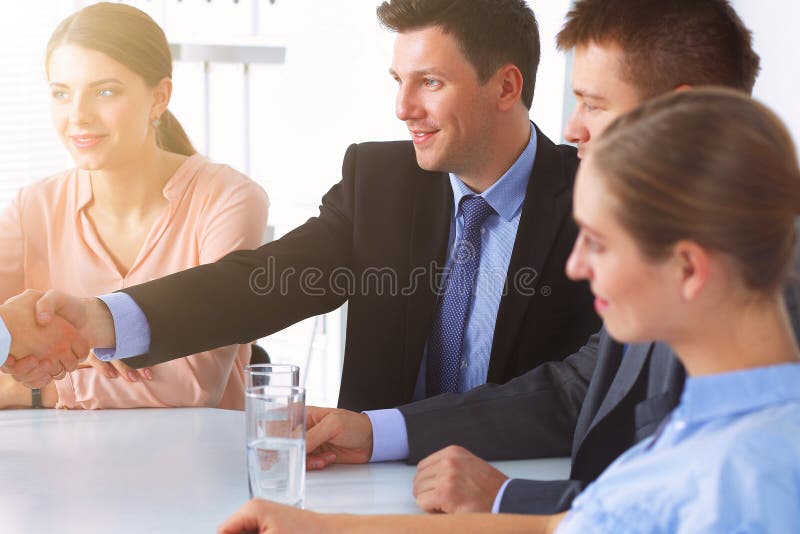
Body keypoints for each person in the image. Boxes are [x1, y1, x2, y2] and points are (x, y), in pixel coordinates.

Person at [220, 87, 800, 533]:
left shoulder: (740, 480)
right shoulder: (705, 424)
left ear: (689, 269)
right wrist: (324, 526)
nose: (574, 266)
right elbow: (570, 524)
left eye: (597, 242)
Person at [2, 0, 601, 410]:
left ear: (506, 86)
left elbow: (584, 390)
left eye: (430, 83)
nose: (402, 107)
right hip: (373, 492)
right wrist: (99, 318)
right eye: (398, 81)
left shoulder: (599, 200)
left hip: (522, 490)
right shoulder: (380, 181)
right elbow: (263, 281)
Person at [0, 2, 269, 409]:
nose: (78, 116)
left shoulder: (228, 199)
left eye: (105, 91)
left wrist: (33, 388)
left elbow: (194, 385)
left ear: (159, 97)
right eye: (61, 93)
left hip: (198, 462)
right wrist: (63, 351)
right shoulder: (31, 209)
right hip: (63, 463)